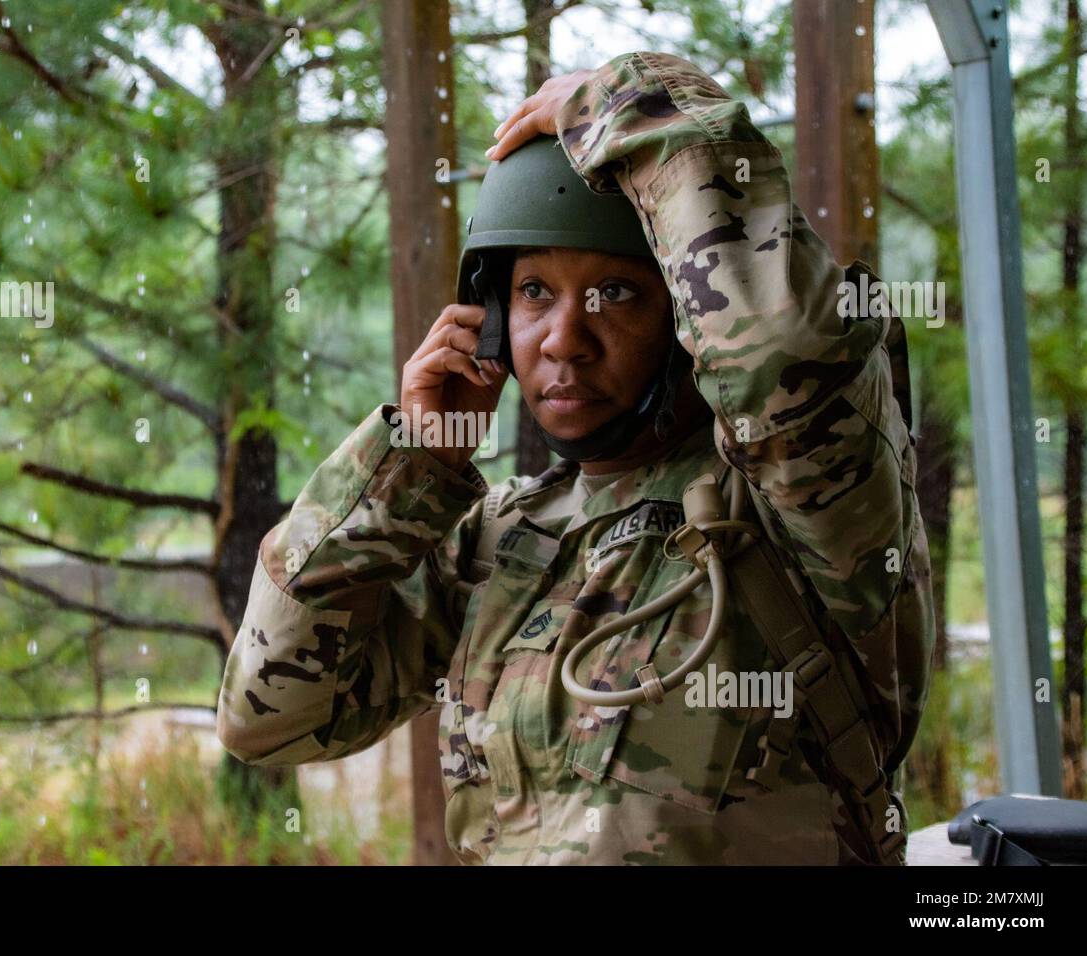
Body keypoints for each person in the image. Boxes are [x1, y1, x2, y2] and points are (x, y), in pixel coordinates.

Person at [216, 50, 935, 865]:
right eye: (532, 294)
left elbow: (778, 353)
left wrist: (633, 106)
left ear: (688, 317)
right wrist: (411, 470)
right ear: (486, 322)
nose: (563, 339)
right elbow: (266, 717)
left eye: (615, 294)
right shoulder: (501, 540)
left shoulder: (804, 500)